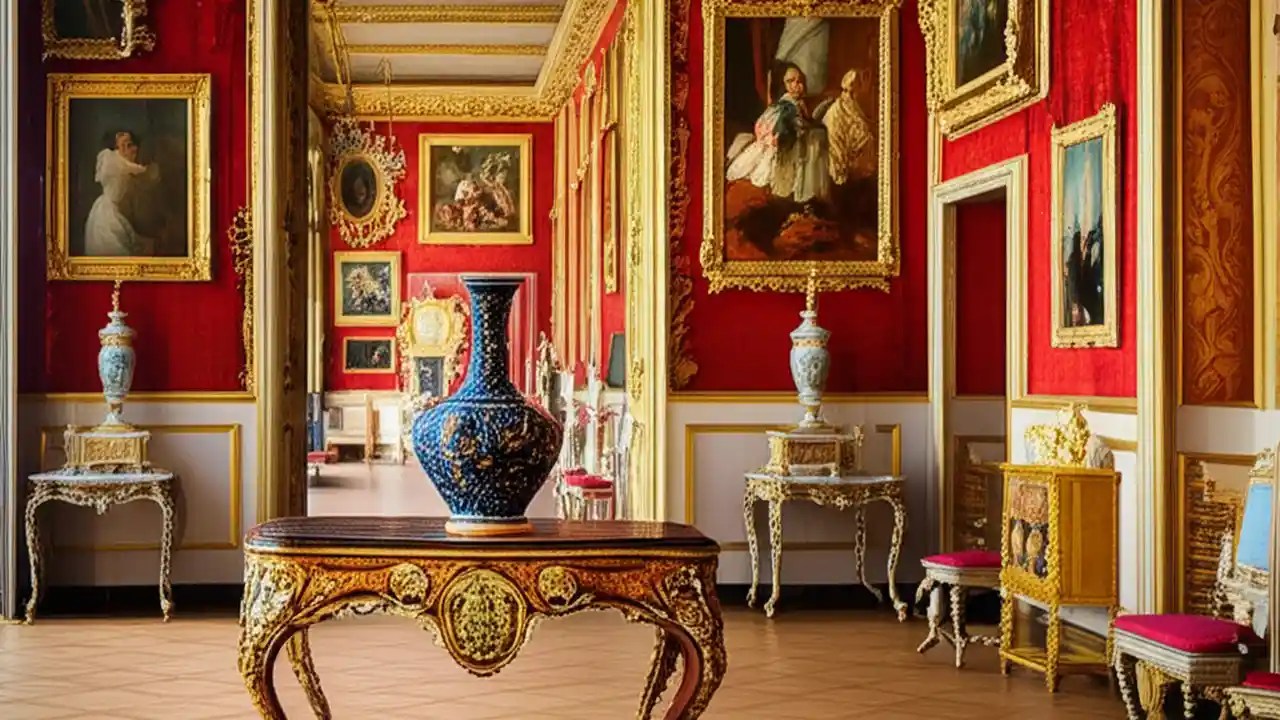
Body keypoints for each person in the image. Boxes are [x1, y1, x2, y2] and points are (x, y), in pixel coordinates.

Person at [725, 63, 832, 205]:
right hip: (783, 142)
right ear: (783, 85)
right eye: (790, 81)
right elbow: (782, 125)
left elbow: (806, 120)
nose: (796, 85)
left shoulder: (798, 103)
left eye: (799, 81)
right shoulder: (786, 106)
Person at [83, 130, 158, 257]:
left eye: (128, 145)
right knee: (112, 243)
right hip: (107, 212)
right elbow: (143, 171)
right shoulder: (113, 160)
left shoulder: (126, 163)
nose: (123, 149)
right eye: (120, 146)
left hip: (117, 210)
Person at [822, 69, 875, 186]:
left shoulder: (853, 107)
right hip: (841, 167)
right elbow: (837, 144)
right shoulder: (836, 111)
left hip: (856, 166)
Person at [1064, 223, 1103, 326]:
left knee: (1088, 261)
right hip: (1089, 281)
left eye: (1073, 319)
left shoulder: (1074, 296)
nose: (1074, 315)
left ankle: (1089, 239)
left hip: (1085, 278)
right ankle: (1093, 239)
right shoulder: (1088, 314)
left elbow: (1073, 277)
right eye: (1075, 320)